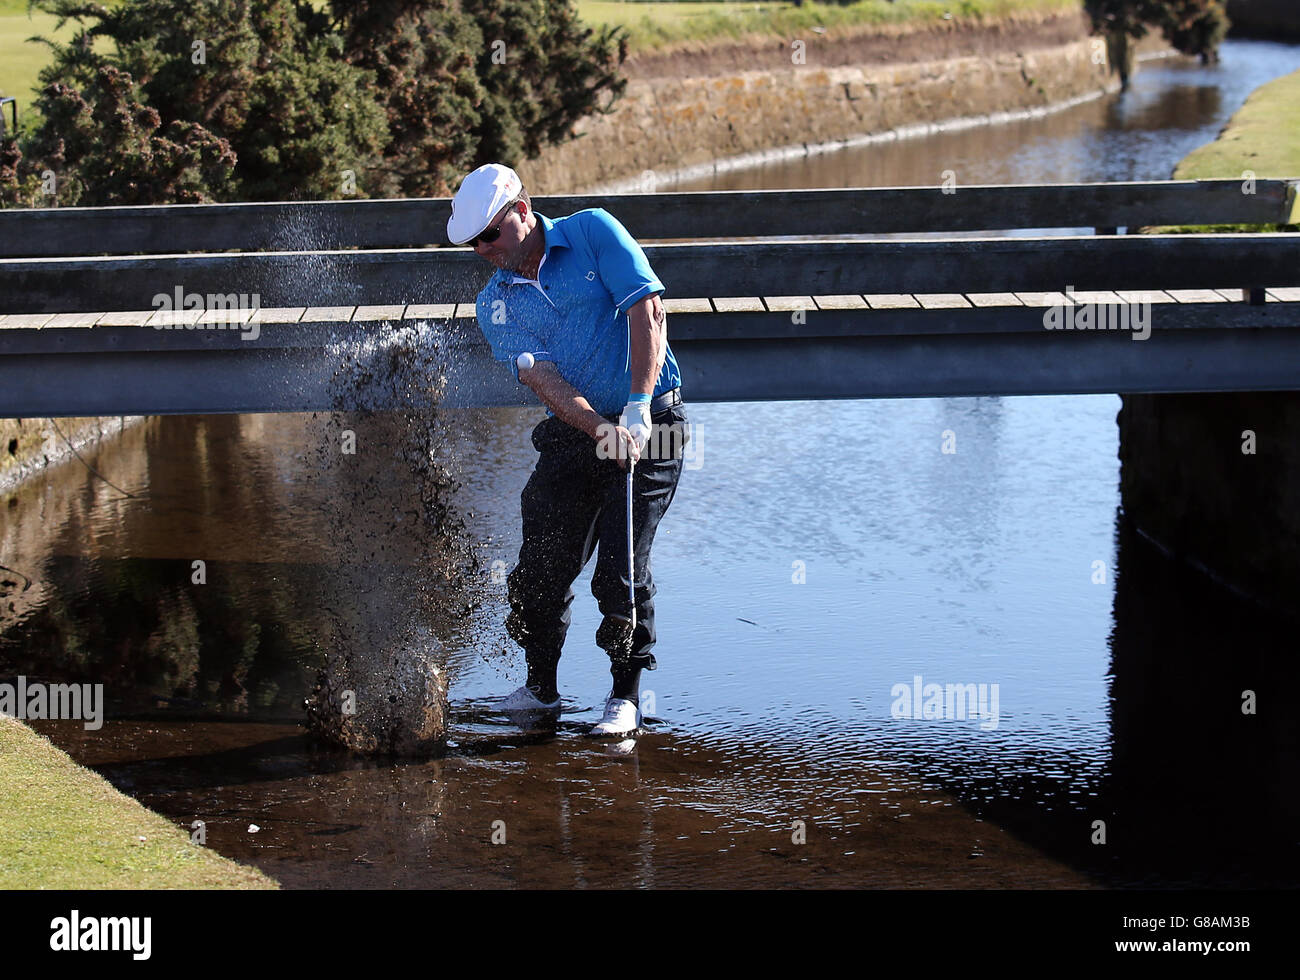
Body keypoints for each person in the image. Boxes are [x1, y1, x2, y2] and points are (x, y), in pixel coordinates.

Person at [446, 163, 689, 737]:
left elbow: (646, 309)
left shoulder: (591, 232)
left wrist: (636, 405)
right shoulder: (495, 305)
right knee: (538, 570)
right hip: (576, 431)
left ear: (523, 214)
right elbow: (546, 381)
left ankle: (625, 695)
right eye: (472, 242)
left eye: (490, 235)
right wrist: (597, 427)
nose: (483, 249)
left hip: (656, 420)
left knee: (621, 567)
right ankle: (542, 690)